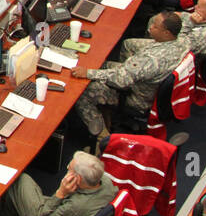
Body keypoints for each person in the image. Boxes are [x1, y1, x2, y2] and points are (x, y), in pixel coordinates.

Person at [70, 11, 187, 142]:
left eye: (155, 26)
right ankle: (106, 109)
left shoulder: (151, 60)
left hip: (136, 95)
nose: (150, 27)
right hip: (141, 78)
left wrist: (88, 73)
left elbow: (121, 80)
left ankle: (103, 139)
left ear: (167, 33)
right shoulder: (182, 41)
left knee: (82, 92)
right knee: (113, 57)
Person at [119, 0, 206, 61]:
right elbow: (202, 19)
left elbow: (177, 43)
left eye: (199, 7)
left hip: (177, 51)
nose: (195, 7)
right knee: (155, 20)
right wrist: (183, 15)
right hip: (189, 39)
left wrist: (190, 21)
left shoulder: (203, 38)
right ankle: (151, 43)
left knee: (128, 44)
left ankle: (142, 63)